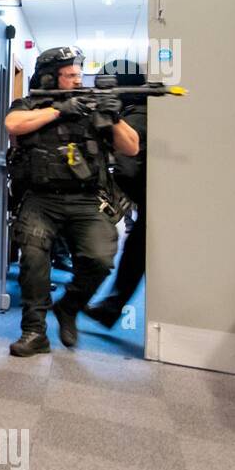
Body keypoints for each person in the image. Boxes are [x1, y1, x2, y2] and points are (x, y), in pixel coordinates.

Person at [3, 46, 139, 356]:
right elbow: (13, 125)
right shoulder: (29, 104)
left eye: (80, 75)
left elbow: (131, 148)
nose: (78, 80)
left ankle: (70, 306)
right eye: (70, 75)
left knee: (100, 259)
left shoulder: (94, 107)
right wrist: (60, 110)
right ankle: (34, 332)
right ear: (51, 78)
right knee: (34, 263)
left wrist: (111, 115)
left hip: (86, 200)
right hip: (41, 199)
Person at [85, 59, 148, 328]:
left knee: (134, 252)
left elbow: (127, 170)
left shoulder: (136, 117)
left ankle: (110, 308)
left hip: (154, 201)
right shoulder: (143, 111)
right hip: (152, 203)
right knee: (136, 251)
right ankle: (110, 308)